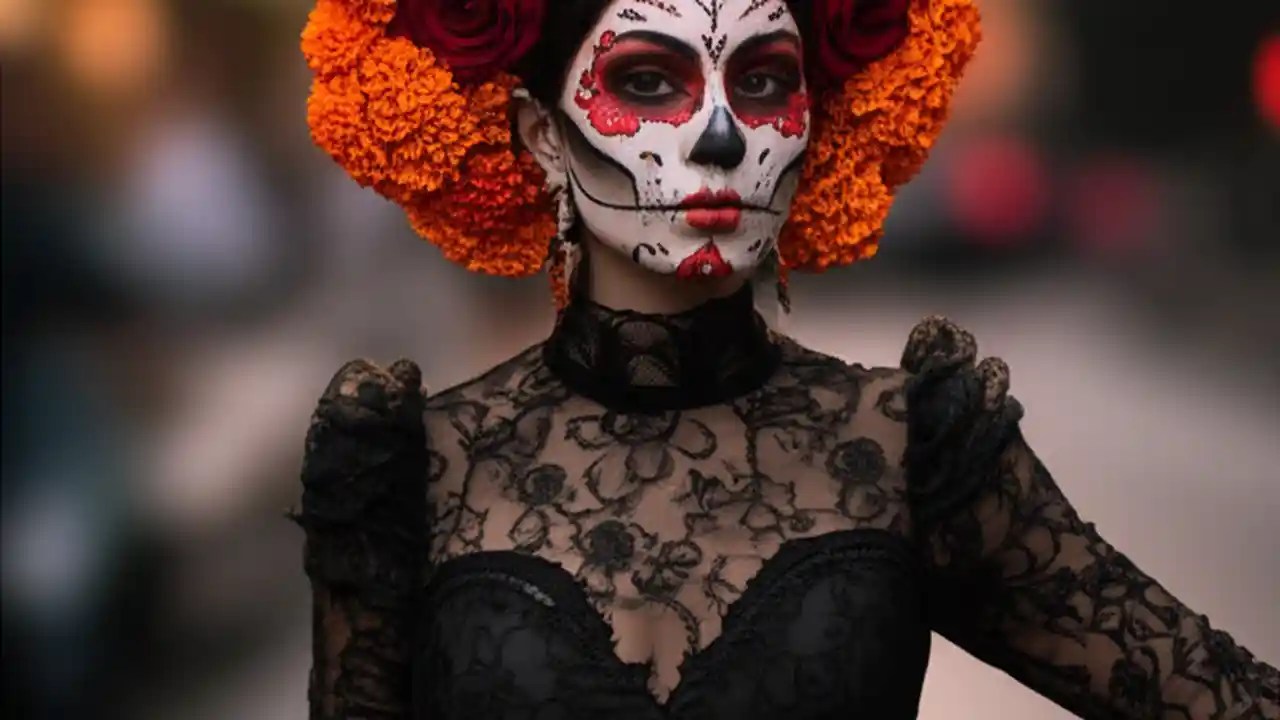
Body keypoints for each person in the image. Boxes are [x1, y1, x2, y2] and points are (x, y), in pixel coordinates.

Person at [292, 0, 1279, 717]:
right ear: (541, 137)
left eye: (762, 81)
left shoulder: (907, 450)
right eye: (648, 80)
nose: (720, 135)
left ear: (809, 128)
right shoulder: (408, 469)